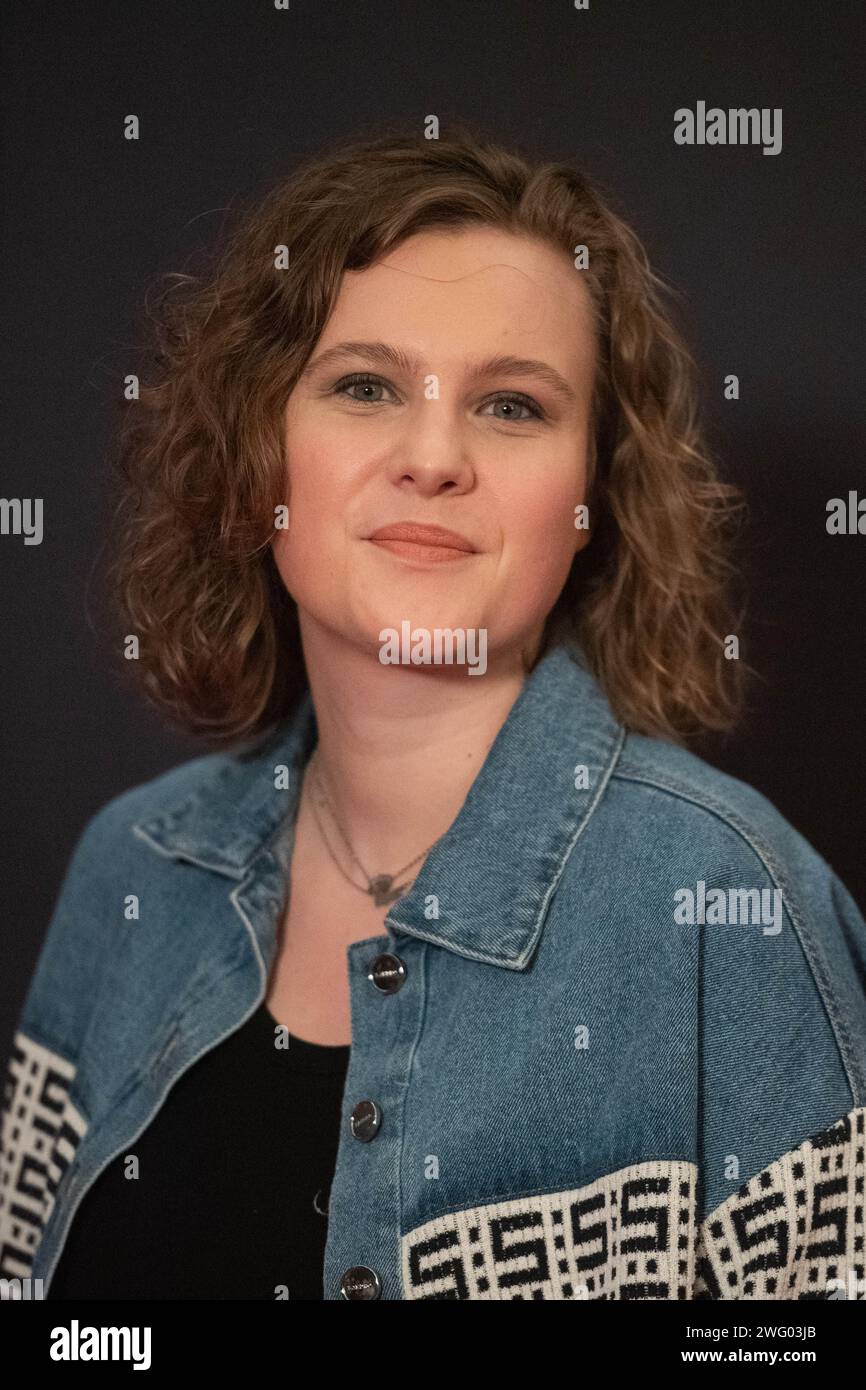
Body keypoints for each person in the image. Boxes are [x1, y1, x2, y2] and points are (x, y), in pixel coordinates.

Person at [2, 128, 864, 1302]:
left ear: (590, 497)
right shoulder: (130, 867)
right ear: (258, 451)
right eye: (363, 386)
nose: (432, 456)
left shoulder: (735, 904)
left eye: (510, 405)